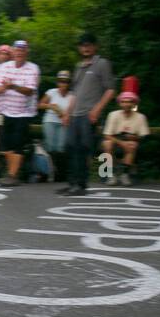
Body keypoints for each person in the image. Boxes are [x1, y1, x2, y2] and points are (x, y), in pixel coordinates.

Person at [58, 32, 115, 197]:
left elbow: (110, 89)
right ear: (79, 48)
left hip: (88, 114)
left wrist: (97, 109)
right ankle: (71, 183)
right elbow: (75, 93)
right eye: (83, 45)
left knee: (83, 149)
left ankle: (80, 185)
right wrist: (67, 113)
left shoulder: (102, 64)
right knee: (70, 147)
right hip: (75, 114)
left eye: (89, 45)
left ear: (95, 46)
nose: (86, 48)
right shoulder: (79, 66)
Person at [0, 40, 40, 187]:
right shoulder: (5, 67)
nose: (20, 53)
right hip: (7, 110)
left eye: (23, 50)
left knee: (18, 145)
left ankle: (12, 175)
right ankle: (11, 174)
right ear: (13, 52)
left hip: (24, 113)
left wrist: (13, 85)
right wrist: (9, 86)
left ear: (26, 52)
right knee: (6, 146)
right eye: (17, 50)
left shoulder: (33, 68)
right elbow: (2, 85)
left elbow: (29, 90)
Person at [102, 86, 150, 185]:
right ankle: (111, 174)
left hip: (131, 139)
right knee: (107, 144)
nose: (126, 104)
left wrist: (134, 138)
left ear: (134, 104)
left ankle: (125, 174)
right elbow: (107, 135)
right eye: (124, 102)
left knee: (132, 144)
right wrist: (122, 143)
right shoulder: (113, 115)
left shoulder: (140, 117)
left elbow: (144, 135)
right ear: (120, 103)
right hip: (116, 139)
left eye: (129, 102)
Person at [38, 70, 72, 181]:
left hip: (64, 122)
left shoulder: (72, 95)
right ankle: (48, 170)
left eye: (66, 82)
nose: (63, 84)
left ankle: (60, 172)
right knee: (50, 146)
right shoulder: (51, 92)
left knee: (61, 147)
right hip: (50, 120)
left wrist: (66, 115)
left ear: (69, 83)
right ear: (58, 82)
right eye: (61, 81)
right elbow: (40, 105)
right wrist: (51, 106)